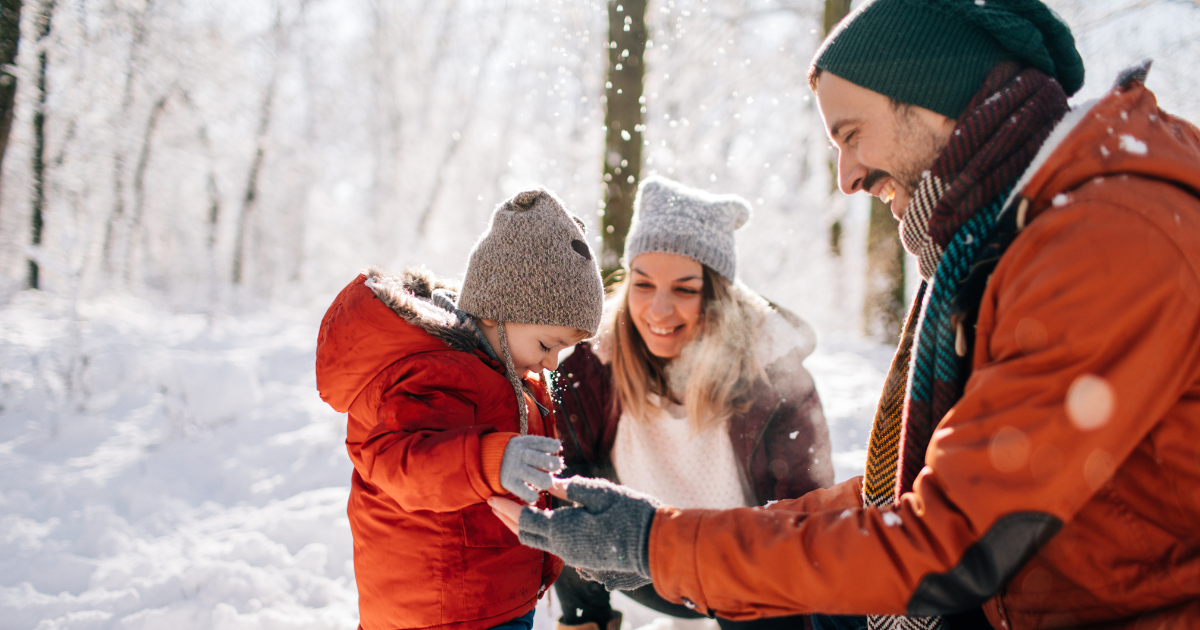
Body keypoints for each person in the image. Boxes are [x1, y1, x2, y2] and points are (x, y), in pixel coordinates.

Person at [490, 1, 1200, 629]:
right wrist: (664, 539)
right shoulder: (1013, 236)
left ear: (934, 102)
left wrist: (661, 542)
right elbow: (920, 493)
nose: (848, 177)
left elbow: (948, 539)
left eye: (852, 134)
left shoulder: (1101, 240)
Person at [550, 176, 833, 630]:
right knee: (567, 510)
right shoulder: (593, 363)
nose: (658, 310)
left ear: (718, 296)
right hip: (640, 562)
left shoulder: (774, 373)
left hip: (742, 572)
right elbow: (560, 472)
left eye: (684, 289)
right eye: (643, 284)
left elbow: (807, 519)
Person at [315, 188, 605, 630]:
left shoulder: (513, 373)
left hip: (494, 596)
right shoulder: (435, 371)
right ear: (496, 311)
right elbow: (399, 461)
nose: (551, 363)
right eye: (547, 345)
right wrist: (489, 460)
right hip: (439, 610)